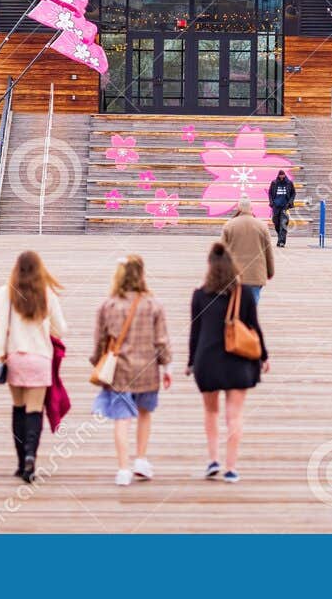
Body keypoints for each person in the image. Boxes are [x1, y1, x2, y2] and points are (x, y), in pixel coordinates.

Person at [188, 243, 268, 482]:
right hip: (238, 361)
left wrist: (191, 361)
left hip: (208, 361)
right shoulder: (243, 294)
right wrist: (263, 355)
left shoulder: (200, 295)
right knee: (234, 415)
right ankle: (231, 467)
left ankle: (213, 460)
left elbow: (195, 332)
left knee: (211, 412)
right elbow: (254, 325)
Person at [89, 255, 172, 486]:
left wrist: (97, 361)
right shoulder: (153, 305)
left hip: (120, 371)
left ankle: (123, 468)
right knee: (145, 413)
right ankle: (141, 459)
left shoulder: (108, 305)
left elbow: (99, 341)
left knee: (122, 419)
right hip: (147, 369)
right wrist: (167, 366)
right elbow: (162, 340)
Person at [0, 251, 68, 483]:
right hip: (40, 358)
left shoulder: (5, 293)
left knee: (19, 407)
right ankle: (32, 455)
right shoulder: (47, 294)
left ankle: (21, 461)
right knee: (35, 410)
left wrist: (8, 331)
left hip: (14, 357)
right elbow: (60, 329)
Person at [221, 195, 275, 306]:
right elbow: (268, 253)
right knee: (252, 306)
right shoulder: (261, 226)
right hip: (256, 274)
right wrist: (270, 272)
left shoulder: (229, 226)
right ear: (251, 209)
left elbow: (221, 253)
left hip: (234, 275)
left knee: (234, 305)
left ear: (238, 209)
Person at [267, 169, 296, 247]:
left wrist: (289, 202)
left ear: (284, 175)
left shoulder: (289, 183)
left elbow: (293, 193)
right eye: (280, 175)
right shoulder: (274, 183)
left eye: (282, 175)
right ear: (278, 175)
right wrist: (271, 202)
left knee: (283, 224)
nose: (281, 176)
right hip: (276, 206)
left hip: (284, 207)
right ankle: (280, 238)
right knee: (276, 222)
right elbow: (270, 193)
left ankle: (282, 242)